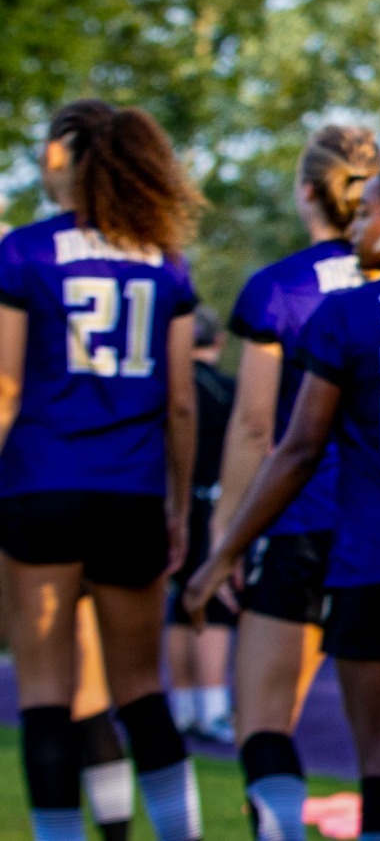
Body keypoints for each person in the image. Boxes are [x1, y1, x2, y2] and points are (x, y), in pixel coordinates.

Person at [184, 165, 380, 841]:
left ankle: (279, 828)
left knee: (379, 758)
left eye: (368, 214)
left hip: (370, 554)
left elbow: (287, 446)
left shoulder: (335, 310)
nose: (355, 227)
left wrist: (222, 549)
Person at [0, 100, 205, 841]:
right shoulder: (166, 260)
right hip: (132, 492)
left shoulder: (24, 251)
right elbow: (181, 404)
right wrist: (179, 505)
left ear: (63, 157)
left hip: (38, 484)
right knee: (142, 690)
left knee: (48, 694)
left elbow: (6, 388)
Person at [213, 125, 380, 841]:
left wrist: (225, 538)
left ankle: (278, 830)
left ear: (306, 189)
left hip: (302, 523)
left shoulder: (279, 287)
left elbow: (256, 428)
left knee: (262, 721)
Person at [166, 307, 236, 743]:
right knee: (212, 604)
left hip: (174, 503)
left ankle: (183, 706)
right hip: (213, 504)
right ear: (219, 342)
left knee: (179, 603)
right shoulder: (229, 391)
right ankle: (212, 707)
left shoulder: (170, 387)